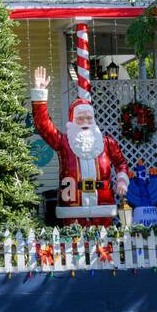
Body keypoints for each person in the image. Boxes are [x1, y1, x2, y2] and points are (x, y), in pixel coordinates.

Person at [31, 66, 129, 226]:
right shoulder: (63, 142)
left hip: (102, 205)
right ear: (72, 121)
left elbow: (121, 163)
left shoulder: (107, 143)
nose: (85, 122)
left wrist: (122, 181)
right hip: (72, 205)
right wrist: (40, 94)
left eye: (88, 119)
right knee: (74, 246)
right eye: (80, 118)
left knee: (105, 246)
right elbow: (43, 125)